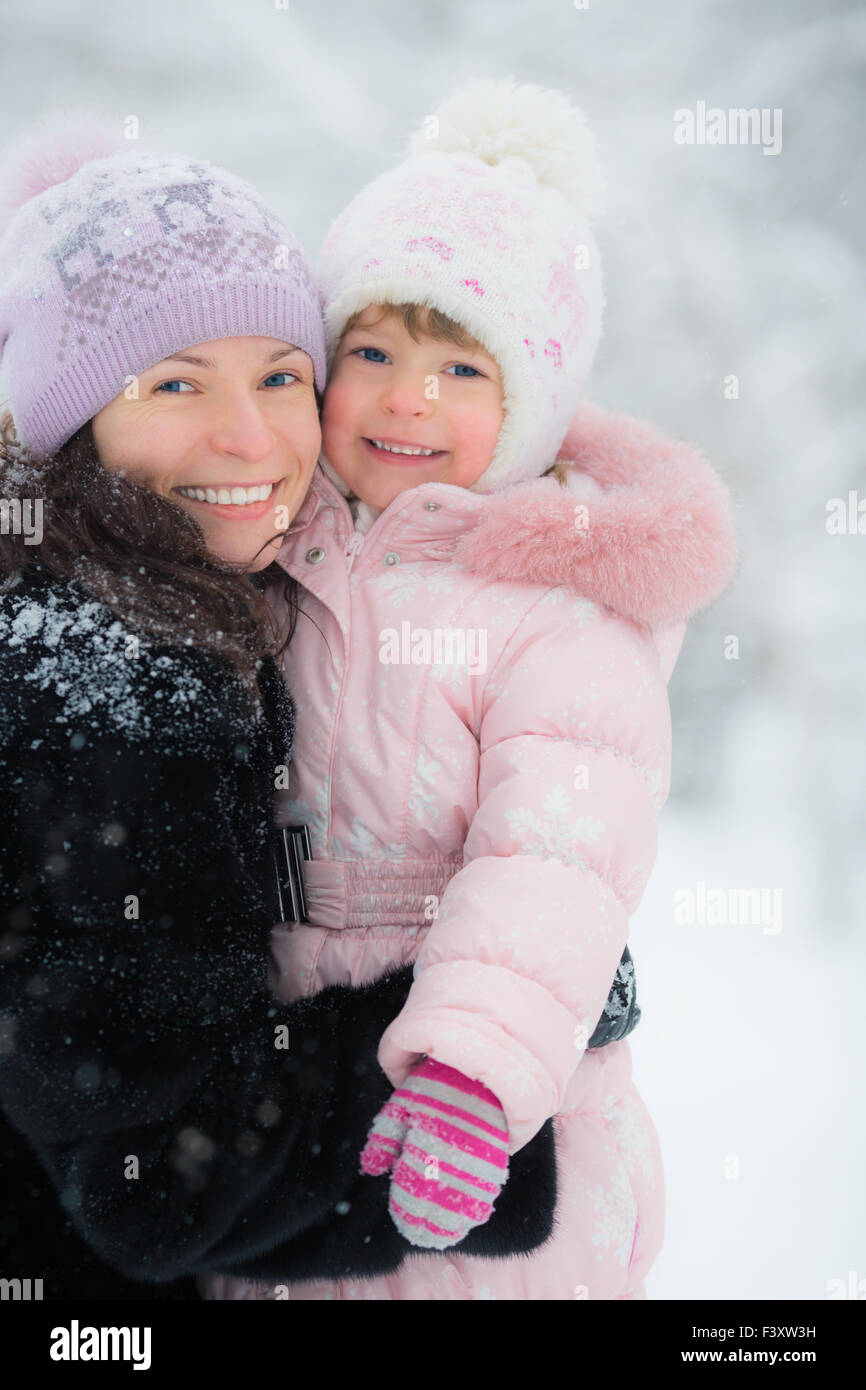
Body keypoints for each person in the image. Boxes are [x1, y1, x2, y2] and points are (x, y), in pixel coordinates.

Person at [0, 112, 558, 1301]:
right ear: (72, 423)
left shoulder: (90, 608)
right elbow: (158, 1180)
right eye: (173, 383)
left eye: (279, 375)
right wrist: (476, 1027)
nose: (249, 434)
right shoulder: (121, 684)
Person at [201, 79, 739, 1301]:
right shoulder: (280, 549)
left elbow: (553, 861)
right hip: (295, 1102)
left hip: (478, 1116)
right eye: (373, 352)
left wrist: (475, 1068)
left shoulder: (557, 605)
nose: (407, 397)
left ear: (531, 403)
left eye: (460, 367)